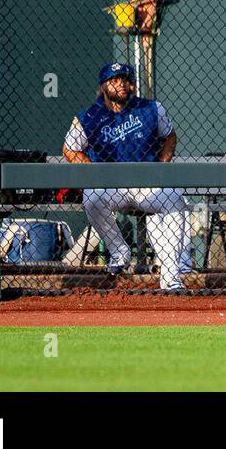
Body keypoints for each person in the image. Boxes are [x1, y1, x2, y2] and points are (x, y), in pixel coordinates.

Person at [62, 62, 192, 292]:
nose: (121, 83)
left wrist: (162, 163)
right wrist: (93, 172)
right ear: (104, 86)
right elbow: (70, 149)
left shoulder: (151, 109)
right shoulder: (88, 116)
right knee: (91, 198)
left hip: (147, 185)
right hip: (112, 186)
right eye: (114, 79)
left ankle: (171, 278)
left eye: (124, 78)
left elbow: (170, 136)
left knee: (174, 198)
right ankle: (119, 252)